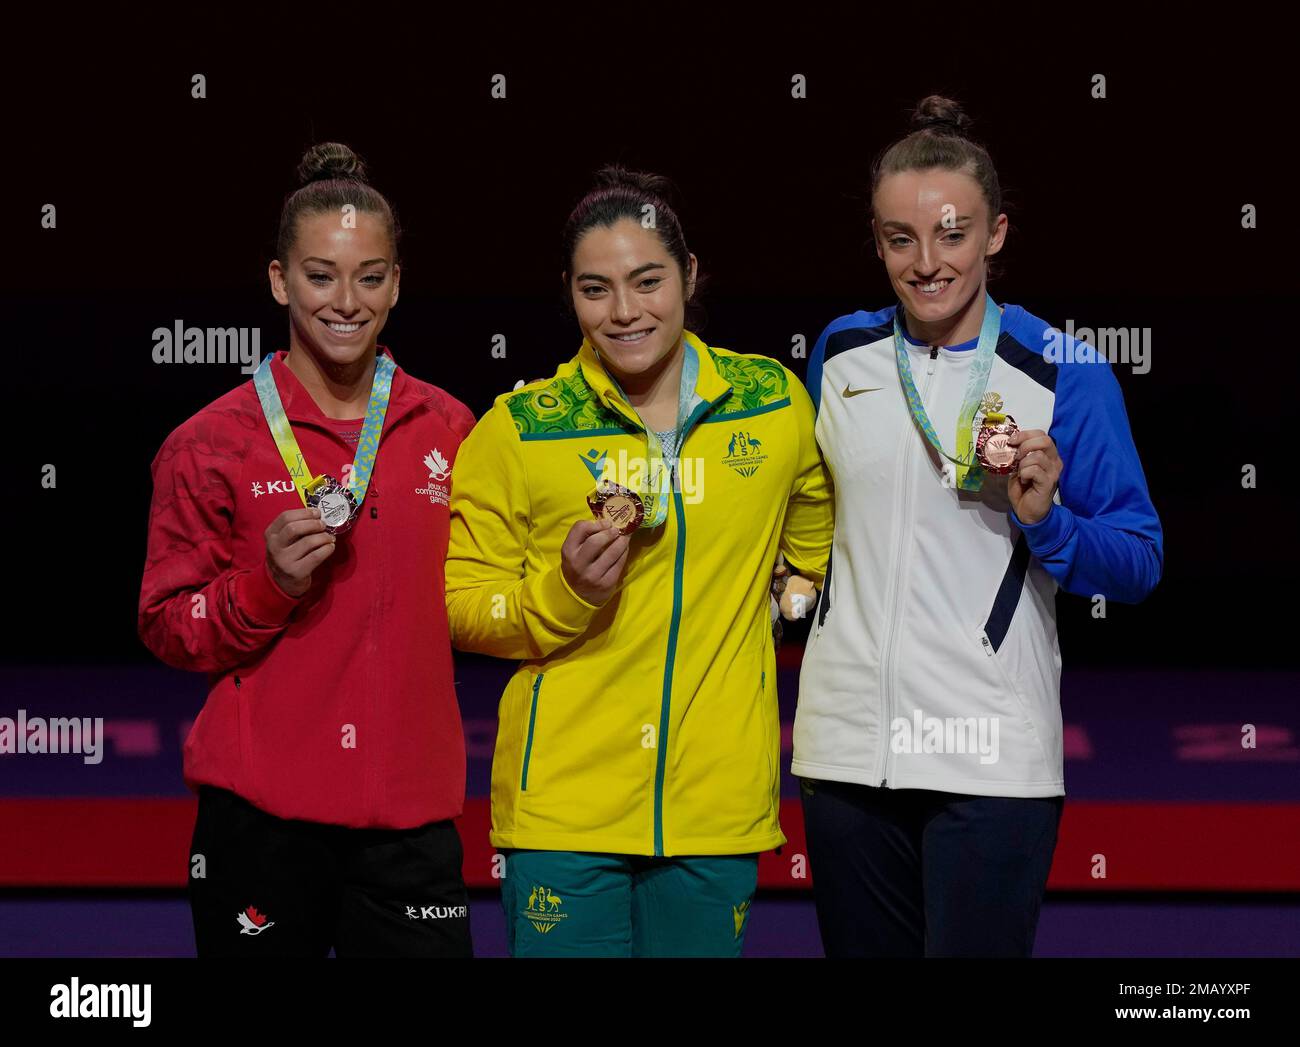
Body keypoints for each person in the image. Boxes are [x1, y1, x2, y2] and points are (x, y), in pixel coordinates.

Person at [792, 96, 1163, 957]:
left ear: (995, 233)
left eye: (952, 234)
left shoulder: (1063, 367)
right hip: (845, 750)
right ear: (877, 242)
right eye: (899, 239)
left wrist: (1051, 524)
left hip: (989, 754)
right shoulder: (840, 352)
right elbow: (811, 514)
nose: (926, 264)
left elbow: (1140, 558)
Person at [445, 166, 834, 957]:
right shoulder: (518, 428)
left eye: (647, 281)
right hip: (563, 809)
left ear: (691, 275)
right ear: (569, 293)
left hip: (715, 804)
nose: (624, 312)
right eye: (596, 289)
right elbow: (464, 606)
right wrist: (564, 594)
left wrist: (792, 595)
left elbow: (816, 516)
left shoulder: (774, 399)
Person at [138, 142, 476, 957]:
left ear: (397, 281)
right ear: (280, 281)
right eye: (321, 275)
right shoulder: (208, 443)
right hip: (259, 824)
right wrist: (264, 589)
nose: (346, 301)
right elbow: (165, 624)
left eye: (370, 275)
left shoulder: (454, 431)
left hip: (412, 826)